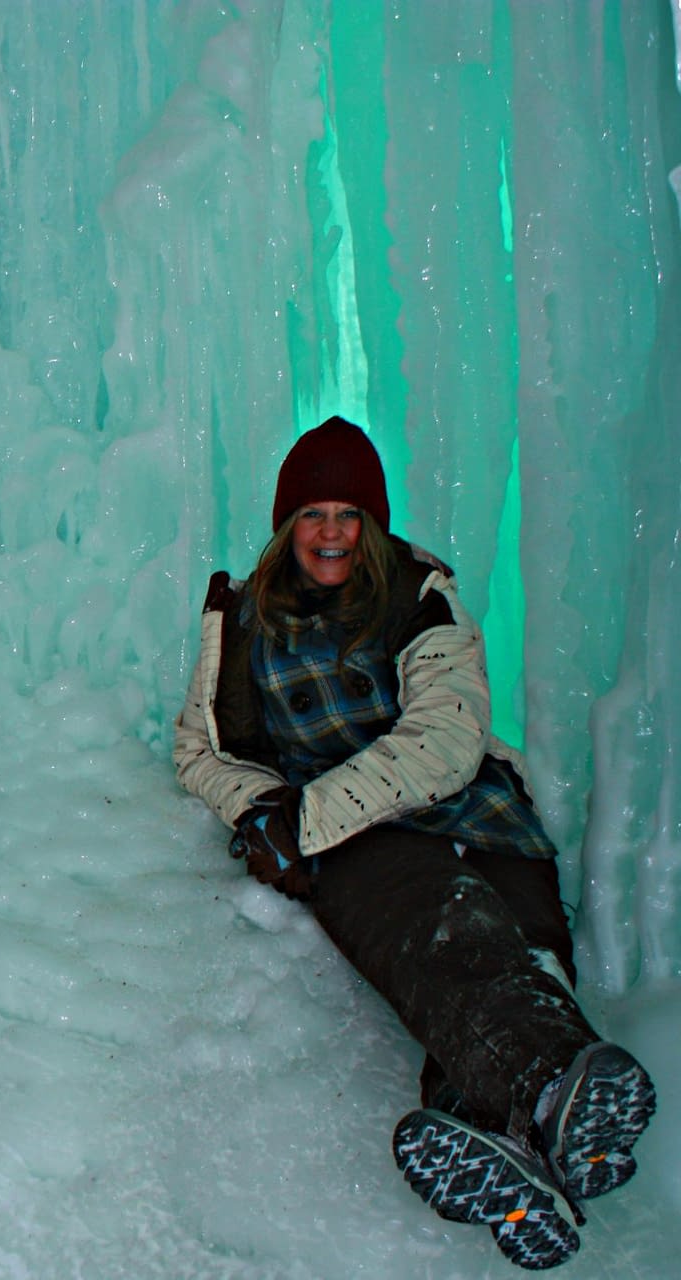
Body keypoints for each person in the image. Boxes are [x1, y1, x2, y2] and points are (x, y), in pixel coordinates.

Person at [172, 416, 657, 1271]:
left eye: (350, 515)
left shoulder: (419, 595)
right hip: (357, 838)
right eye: (315, 514)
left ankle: (499, 1126)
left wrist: (300, 820)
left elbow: (446, 736)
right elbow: (198, 752)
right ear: (289, 527)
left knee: (530, 944)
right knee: (441, 925)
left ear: (373, 526)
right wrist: (260, 814)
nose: (332, 533)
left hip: (471, 811)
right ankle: (547, 1091)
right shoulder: (241, 620)